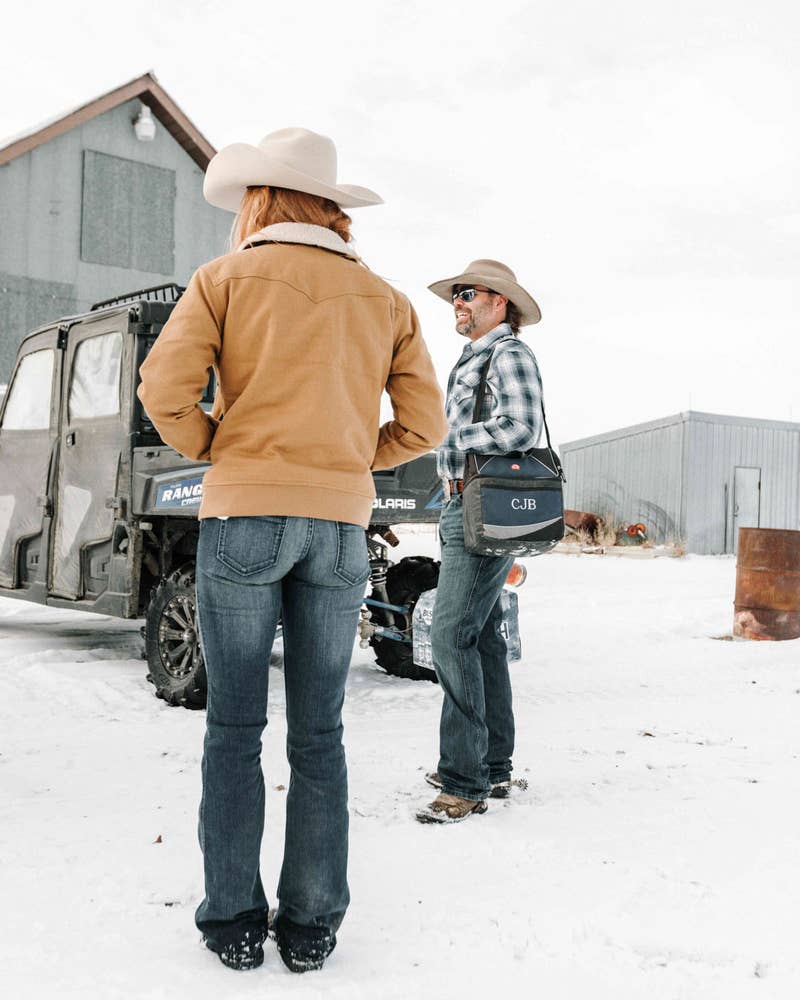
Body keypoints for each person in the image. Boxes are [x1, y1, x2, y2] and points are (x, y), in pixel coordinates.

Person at [138, 127, 448, 972]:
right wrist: (350, 462)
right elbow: (425, 424)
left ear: (264, 201)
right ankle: (311, 925)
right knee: (321, 735)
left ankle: (234, 919)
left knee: (234, 730)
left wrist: (219, 445)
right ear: (329, 206)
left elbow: (164, 390)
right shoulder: (385, 300)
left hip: (243, 518)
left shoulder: (225, 279)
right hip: (340, 528)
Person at [415, 259, 544, 824]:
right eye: (455, 296)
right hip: (461, 502)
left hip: (480, 505)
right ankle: (490, 765)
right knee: (483, 635)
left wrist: (449, 436)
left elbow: (521, 428)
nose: (457, 303)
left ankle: (464, 781)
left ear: (500, 302)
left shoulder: (508, 353)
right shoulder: (473, 357)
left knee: (450, 636)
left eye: (467, 294)